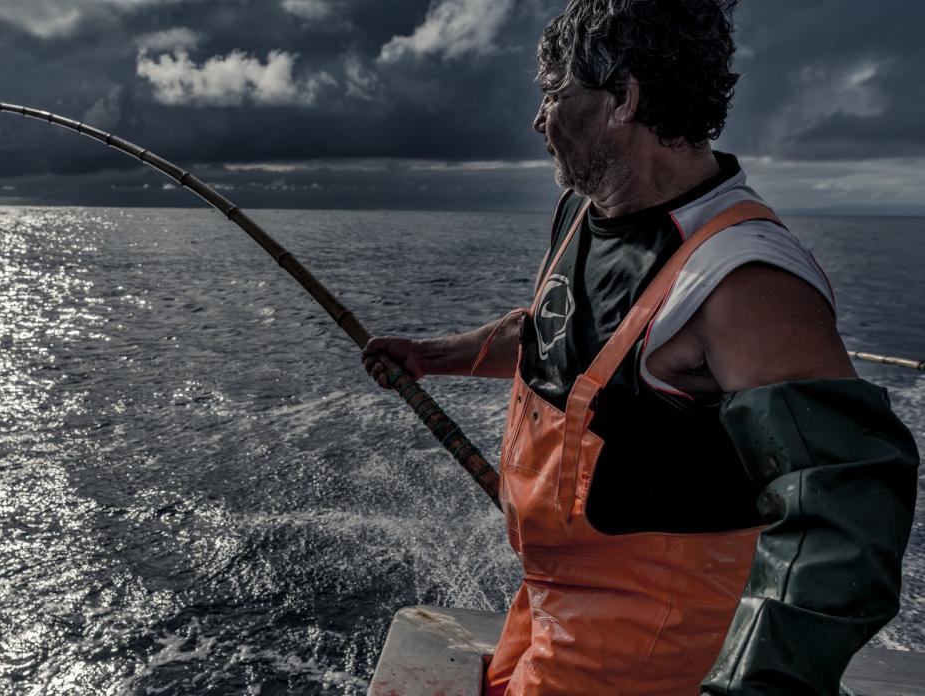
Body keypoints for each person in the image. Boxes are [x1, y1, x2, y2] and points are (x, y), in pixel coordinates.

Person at [362, 1, 919, 693]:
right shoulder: (583, 214)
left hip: (648, 651)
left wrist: (763, 681)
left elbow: (844, 506)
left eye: (553, 92)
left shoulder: (743, 280)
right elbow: (549, 335)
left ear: (623, 98)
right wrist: (429, 356)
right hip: (548, 608)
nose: (539, 119)